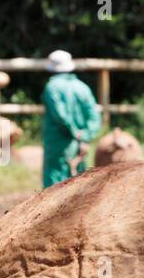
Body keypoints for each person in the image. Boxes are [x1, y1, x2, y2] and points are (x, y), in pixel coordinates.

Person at [41, 49, 101, 187]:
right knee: (79, 184)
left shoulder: (52, 88)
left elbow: (61, 117)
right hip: (81, 145)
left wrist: (75, 134)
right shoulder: (82, 87)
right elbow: (94, 116)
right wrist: (85, 136)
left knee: (54, 184)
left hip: (58, 143)